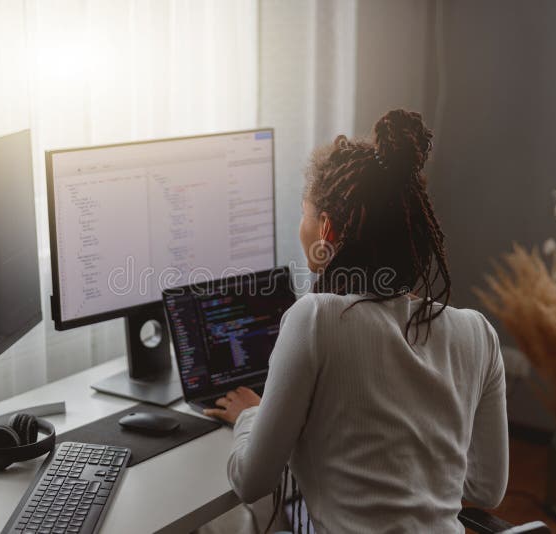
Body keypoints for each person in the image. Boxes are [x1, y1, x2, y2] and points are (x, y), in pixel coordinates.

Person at [203, 109, 508, 533]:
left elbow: (252, 482)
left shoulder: (315, 320)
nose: (301, 227)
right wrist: (419, 467)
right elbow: (487, 488)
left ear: (325, 230)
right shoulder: (478, 333)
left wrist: (251, 417)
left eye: (304, 213)